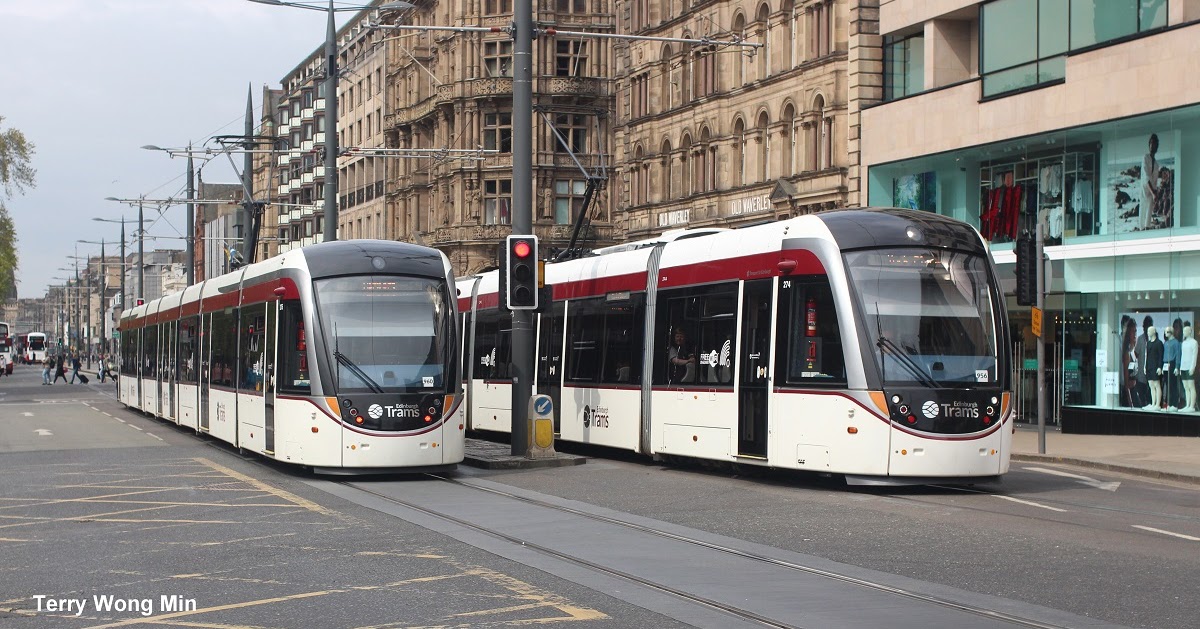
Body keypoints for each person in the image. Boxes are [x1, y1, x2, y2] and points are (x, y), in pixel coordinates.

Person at [1140, 133, 1163, 231]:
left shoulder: (1157, 165)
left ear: (1156, 146)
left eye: (1154, 144)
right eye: (1151, 143)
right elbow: (1146, 177)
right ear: (1149, 145)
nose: (1152, 145)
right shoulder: (1145, 158)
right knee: (1142, 216)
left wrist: (1155, 193)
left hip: (1151, 193)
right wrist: (1154, 193)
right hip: (1145, 191)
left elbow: (1155, 181)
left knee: (1148, 220)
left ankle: (1147, 229)